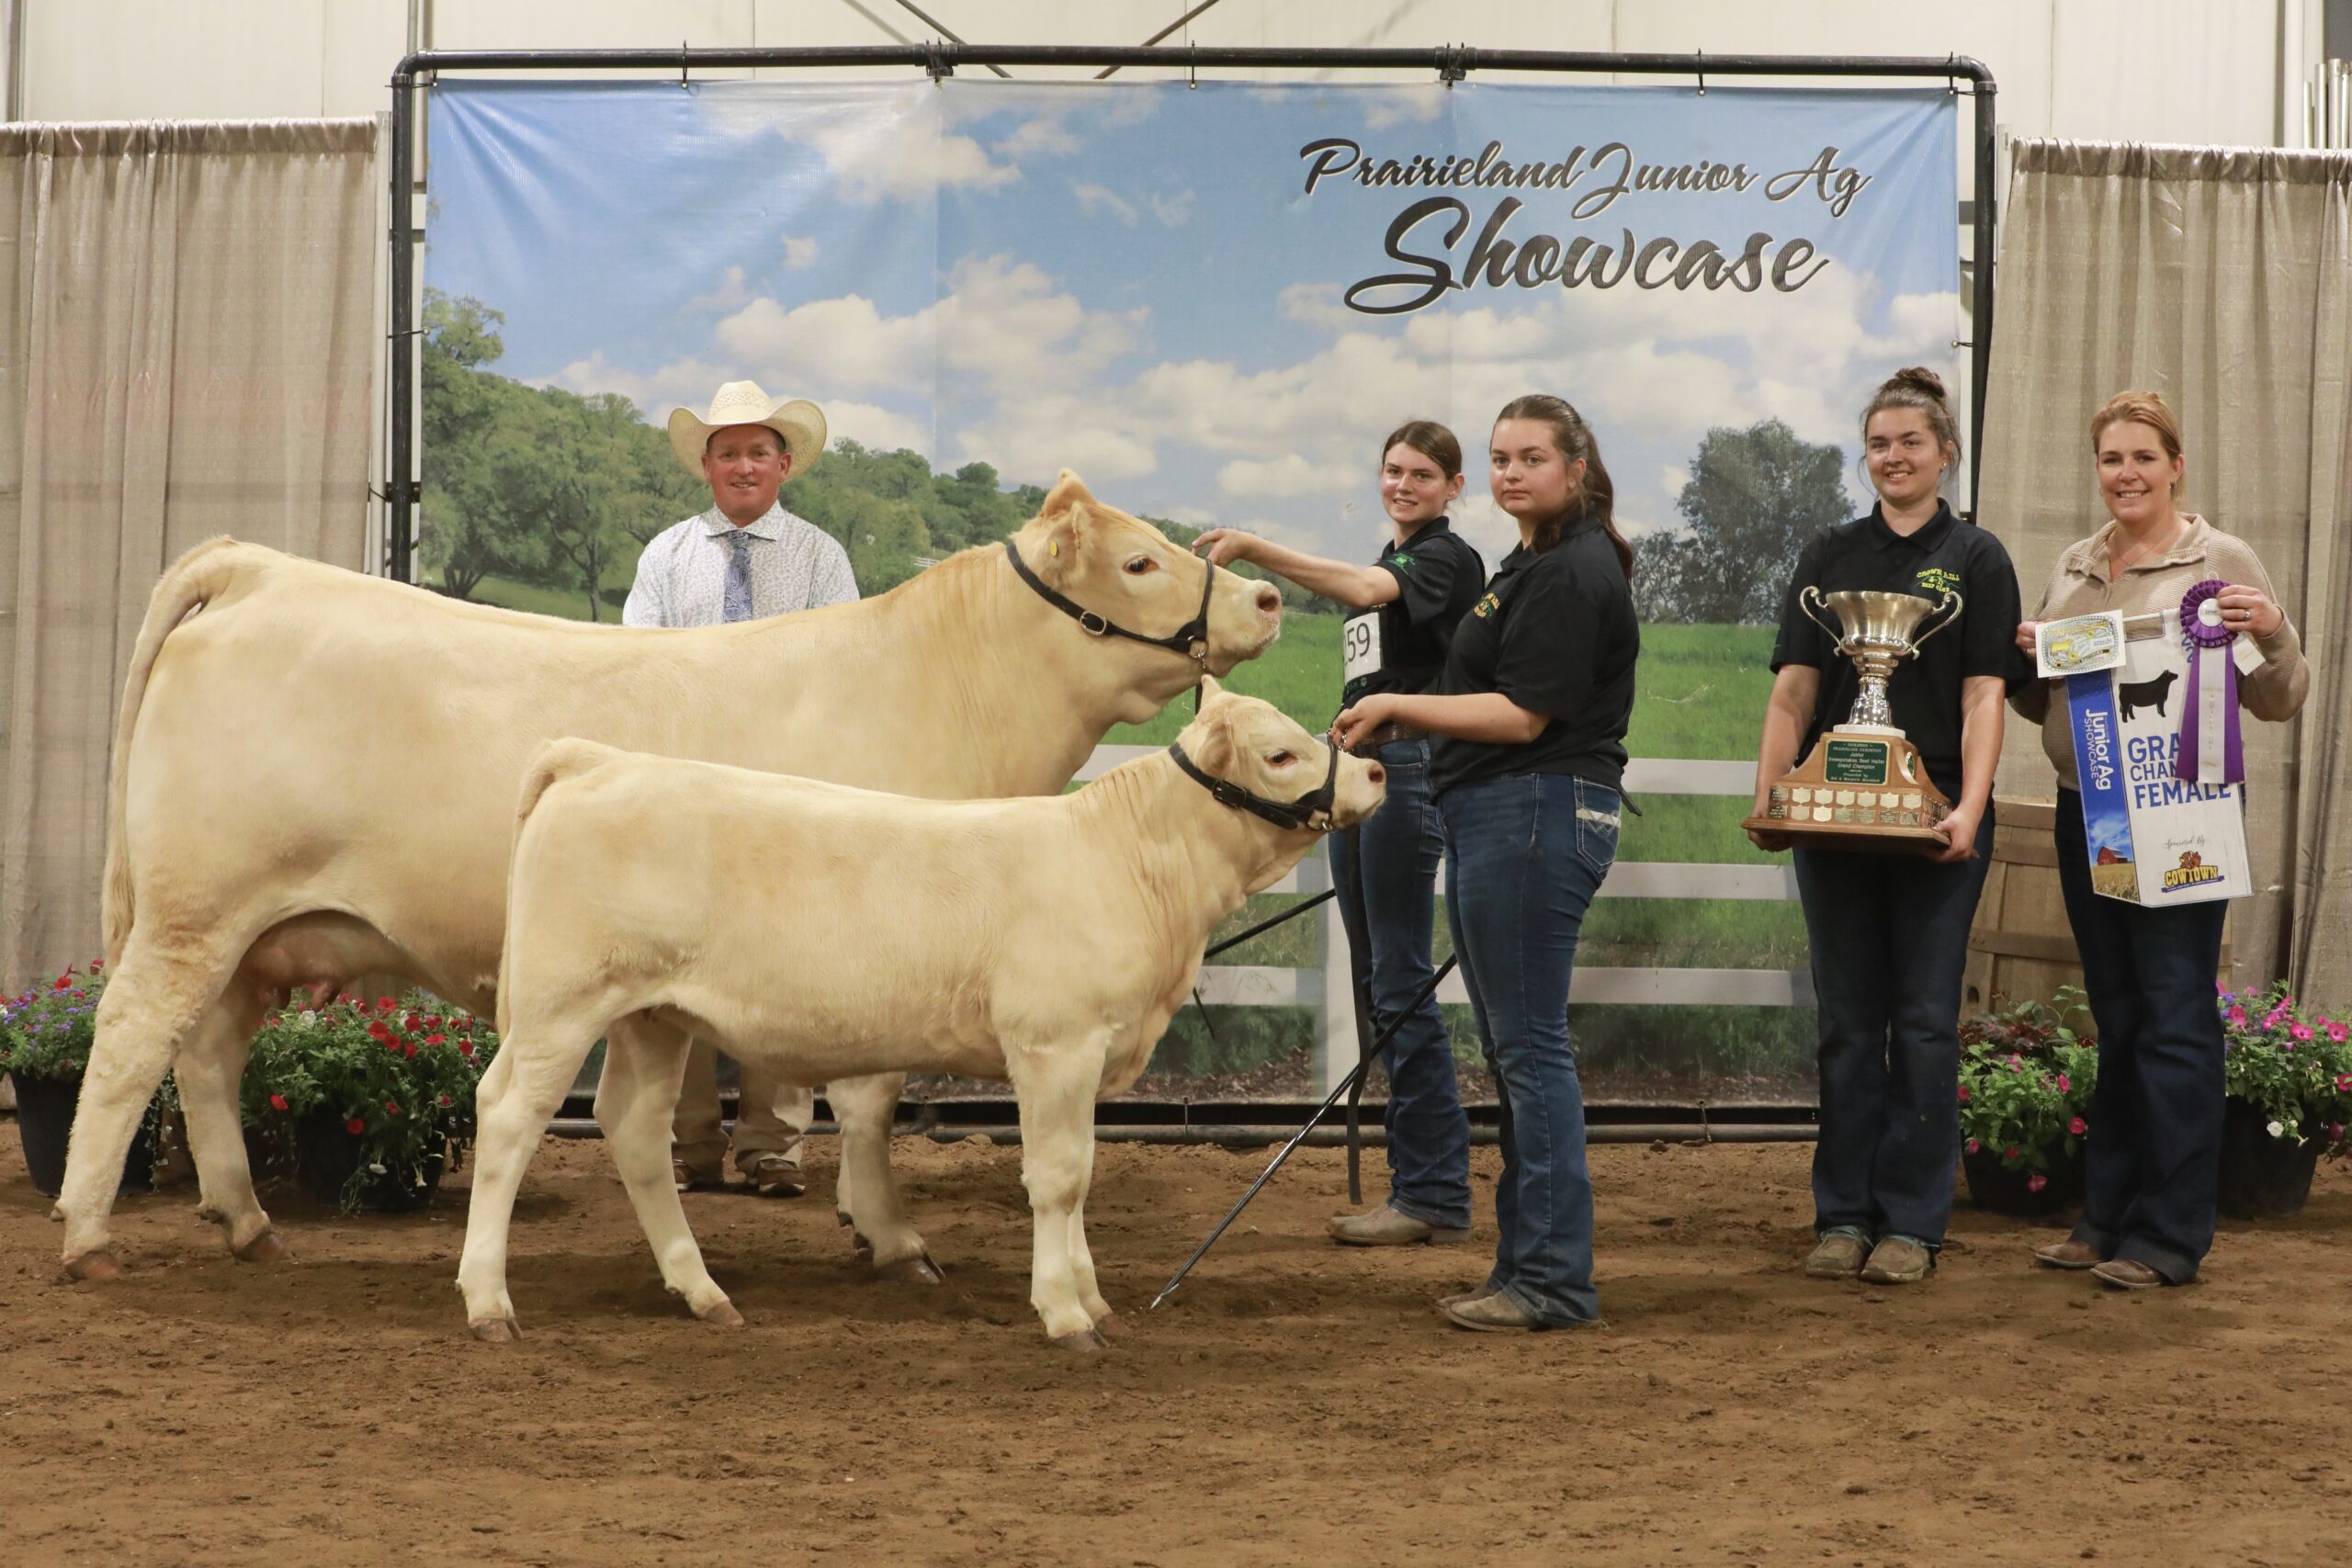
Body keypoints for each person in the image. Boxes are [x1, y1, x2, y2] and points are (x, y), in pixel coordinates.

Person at [1333, 395, 1636, 1333]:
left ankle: (1549, 1279)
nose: (1510, 472)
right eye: (1501, 458)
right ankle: (1526, 1267)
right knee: (1518, 1052)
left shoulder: (1569, 572)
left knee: (1529, 1052)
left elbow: (1522, 716)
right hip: (1505, 811)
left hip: (1534, 807)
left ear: (1574, 469)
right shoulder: (1532, 561)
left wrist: (1399, 710)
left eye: (1529, 458)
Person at [2012, 389, 2308, 1289]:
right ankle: (2106, 1217)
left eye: (2143, 457)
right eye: (2110, 460)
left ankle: (2172, 1234)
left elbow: (2278, 696)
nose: (2126, 474)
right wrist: (2028, 659)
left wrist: (2272, 630)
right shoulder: (2075, 566)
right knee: (2120, 1014)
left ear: (2175, 466)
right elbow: (2042, 706)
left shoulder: (2217, 559)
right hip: (2092, 811)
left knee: (2175, 1013)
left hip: (2183, 813)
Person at [1748, 367, 2023, 1287]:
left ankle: (1912, 1223)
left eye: (1910, 442)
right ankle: (1841, 1215)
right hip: (1835, 820)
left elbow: (1985, 694)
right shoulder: (1828, 552)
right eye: (1877, 443)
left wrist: (1969, 811)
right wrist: (1772, 793)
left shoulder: (1978, 558)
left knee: (1925, 1023)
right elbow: (1793, 689)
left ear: (1944, 452)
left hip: (1934, 819)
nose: (1893, 457)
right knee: (1846, 1023)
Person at [1194, 422, 1487, 1248]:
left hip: (1411, 772)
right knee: (1375, 978)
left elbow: (1363, 591)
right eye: (1393, 470)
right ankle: (1422, 1181)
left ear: (1453, 486)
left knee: (1397, 976)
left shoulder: (1444, 559)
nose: (1403, 484)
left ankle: (1432, 1188)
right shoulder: (1395, 559)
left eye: (1422, 474)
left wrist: (1256, 548)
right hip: (1363, 769)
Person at [623, 378, 859, 1197]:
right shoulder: (667, 555)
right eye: (728, 451)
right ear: (707, 466)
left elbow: (846, 670)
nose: (744, 464)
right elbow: (634, 666)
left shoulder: (823, 558)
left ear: (784, 463)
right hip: (684, 789)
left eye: (759, 450)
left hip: (787, 790)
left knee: (783, 963)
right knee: (673, 965)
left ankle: (772, 1147)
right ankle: (686, 1145)